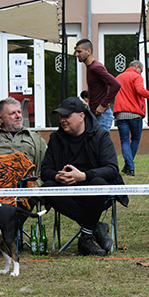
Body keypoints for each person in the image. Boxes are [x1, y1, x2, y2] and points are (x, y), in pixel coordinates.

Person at [40, 96, 126, 257]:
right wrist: (58, 177)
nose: (63, 120)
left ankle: (86, 238)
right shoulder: (56, 139)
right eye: (60, 117)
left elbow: (112, 169)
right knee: (47, 187)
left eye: (67, 116)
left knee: (99, 183)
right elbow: (45, 170)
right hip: (66, 190)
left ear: (81, 116)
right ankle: (95, 227)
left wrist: (83, 176)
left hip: (94, 191)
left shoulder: (101, 136)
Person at [112, 60, 149, 176]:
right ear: (137, 67)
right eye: (141, 71)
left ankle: (128, 167)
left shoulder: (118, 77)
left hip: (121, 114)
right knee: (135, 140)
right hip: (135, 114)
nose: (141, 73)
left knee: (125, 141)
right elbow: (140, 91)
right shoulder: (136, 76)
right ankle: (130, 166)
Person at [74, 39, 121, 132]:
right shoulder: (90, 67)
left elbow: (116, 84)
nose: (76, 54)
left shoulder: (96, 68)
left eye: (79, 51)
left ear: (88, 51)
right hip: (96, 114)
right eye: (76, 51)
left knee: (100, 145)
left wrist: (103, 105)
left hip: (102, 116)